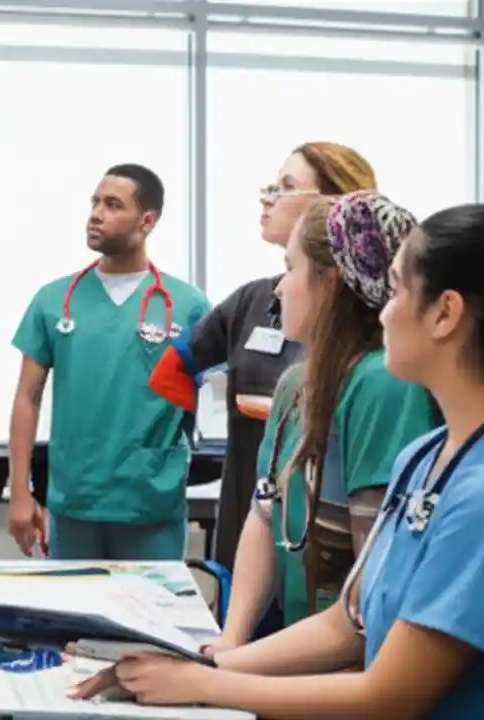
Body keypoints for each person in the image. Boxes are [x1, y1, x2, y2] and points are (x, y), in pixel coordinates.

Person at [68, 203, 484, 719]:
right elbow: (349, 624)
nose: (382, 311)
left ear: (445, 313)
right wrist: (203, 666)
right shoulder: (429, 455)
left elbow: (391, 698)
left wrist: (201, 684)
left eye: (396, 290)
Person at [204, 191, 439, 654]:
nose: (278, 288)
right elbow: (264, 513)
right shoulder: (297, 385)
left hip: (352, 661)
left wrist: (230, 671)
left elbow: (369, 600)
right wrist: (231, 641)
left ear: (330, 282)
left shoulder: (382, 385)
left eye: (290, 268)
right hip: (303, 647)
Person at [149, 141, 377, 578]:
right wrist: (166, 460)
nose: (267, 198)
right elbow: (171, 371)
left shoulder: (373, 327)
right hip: (248, 535)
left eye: (285, 187)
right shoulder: (253, 301)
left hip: (334, 555)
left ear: (335, 204)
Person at [7, 164, 210, 561]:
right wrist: (19, 491)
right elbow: (27, 398)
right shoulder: (54, 299)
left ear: (147, 221)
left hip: (151, 501)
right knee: (72, 601)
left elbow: (215, 402)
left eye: (113, 205)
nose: (96, 214)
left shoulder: (189, 306)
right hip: (74, 501)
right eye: (95, 203)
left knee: (152, 602)